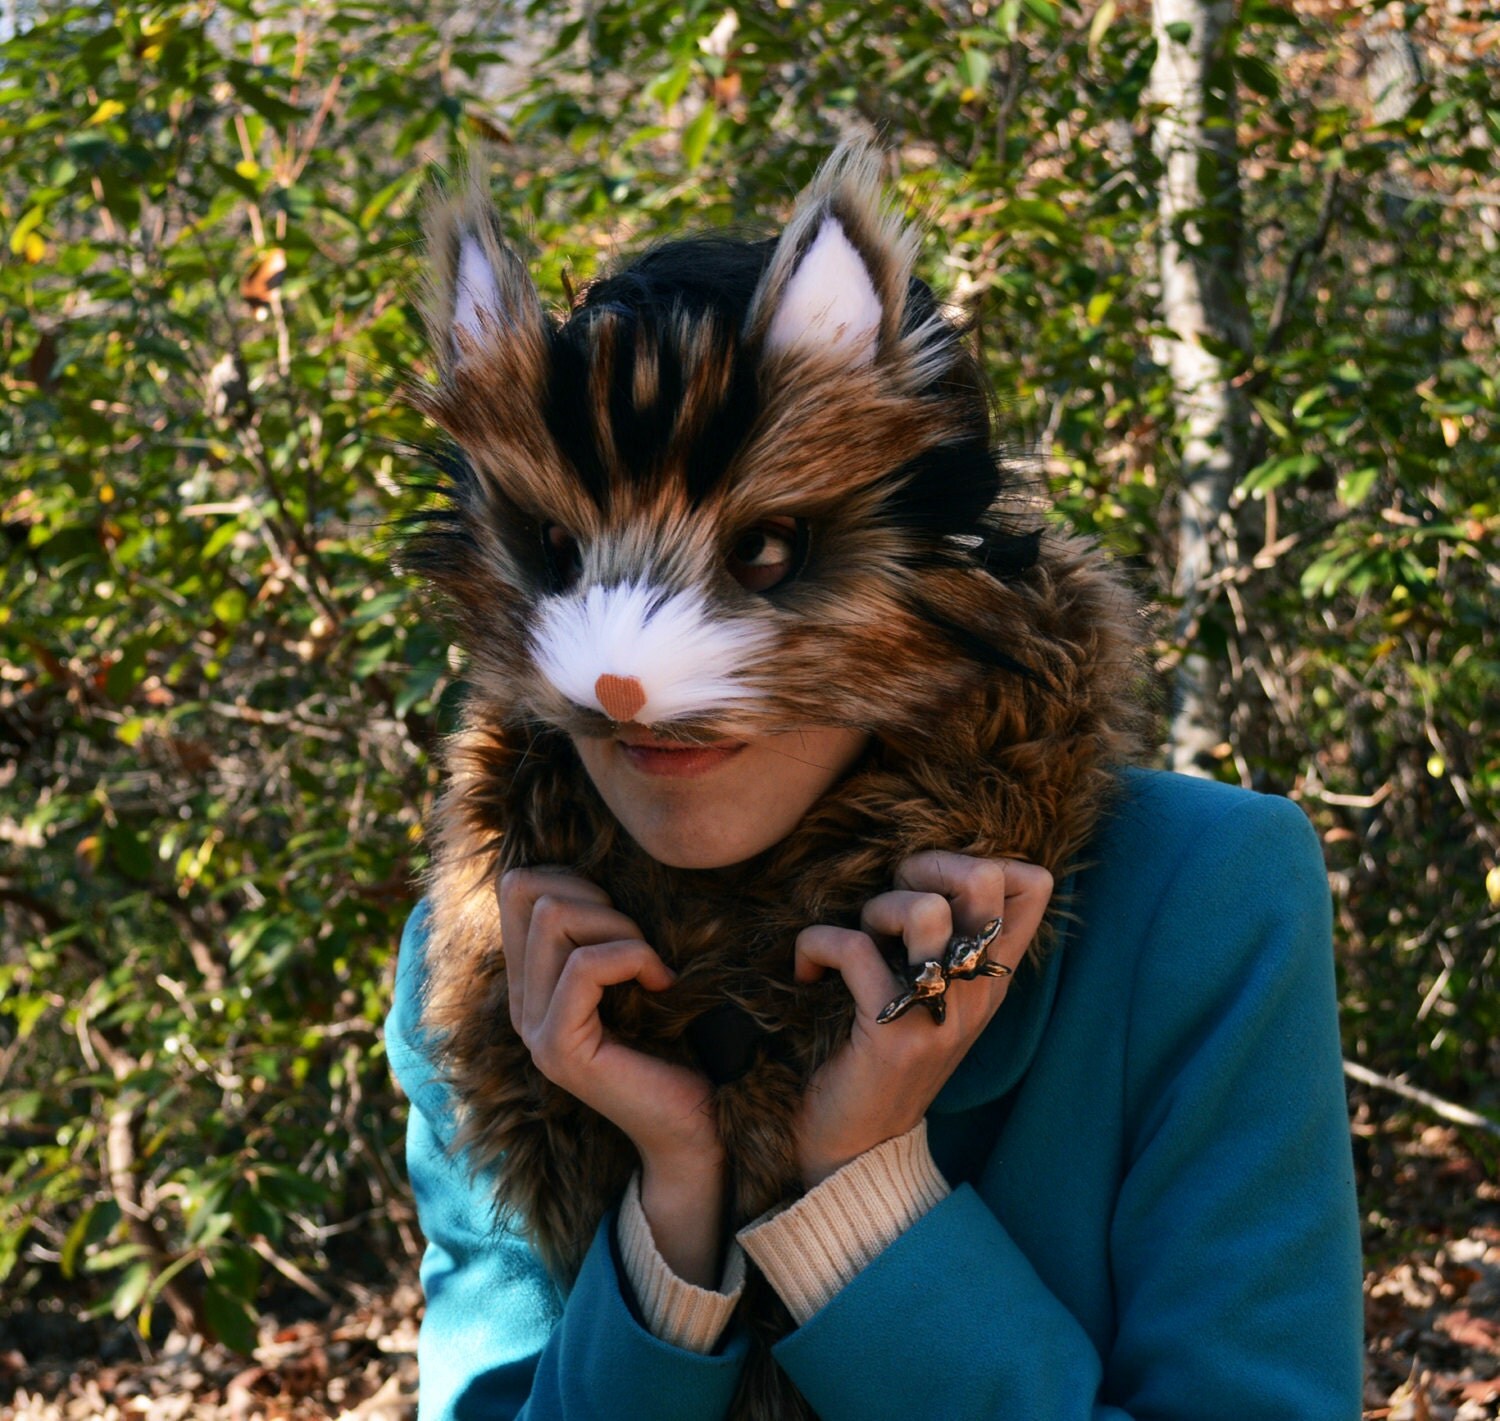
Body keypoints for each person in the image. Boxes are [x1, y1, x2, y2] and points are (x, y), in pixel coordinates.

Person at [385, 144, 1364, 1419]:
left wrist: (862, 1194)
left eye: (763, 553)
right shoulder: (479, 969)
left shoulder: (1201, 899)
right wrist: (672, 1207)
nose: (628, 682)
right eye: (564, 556)